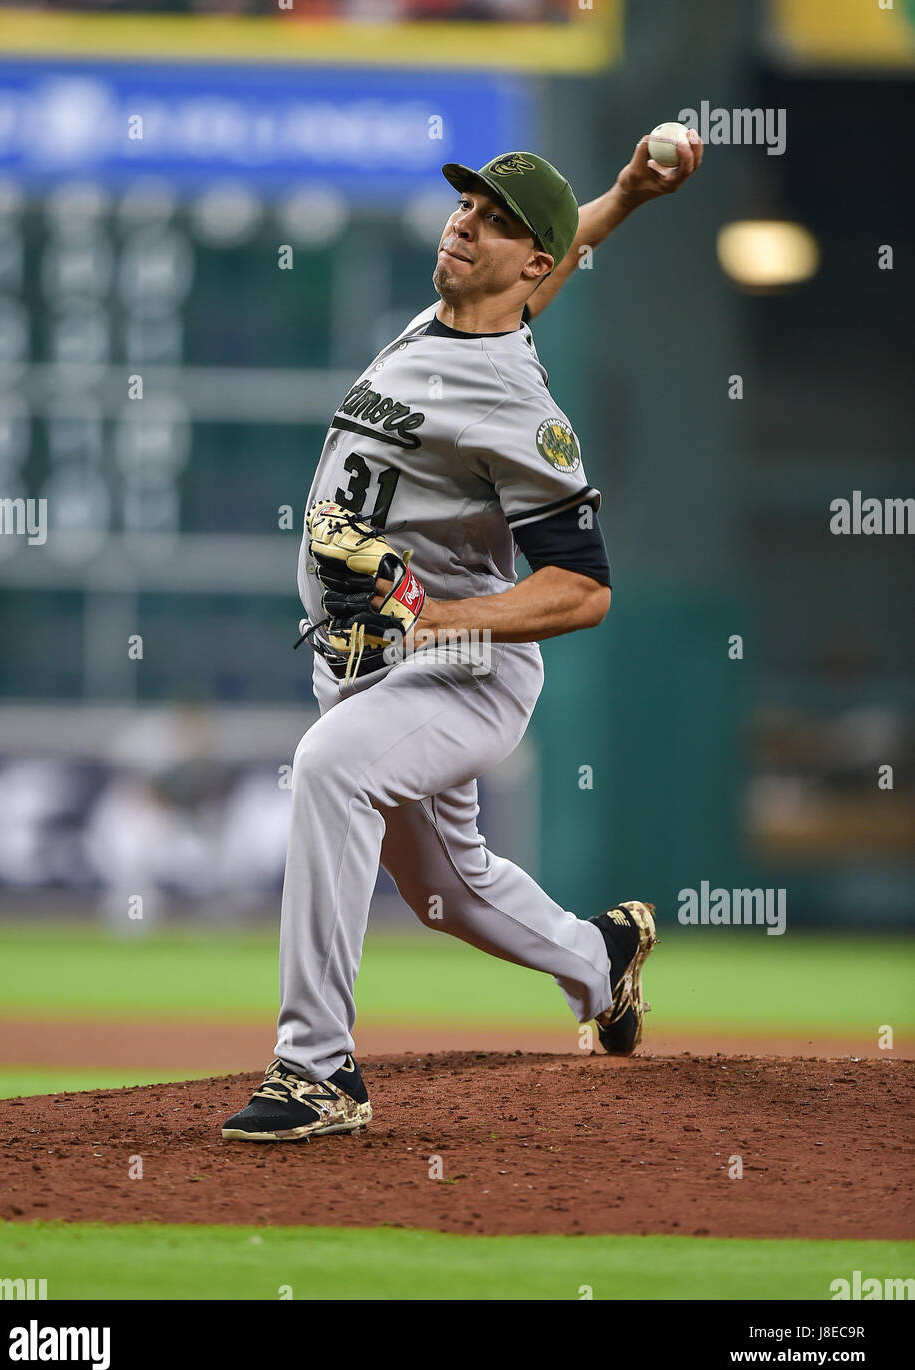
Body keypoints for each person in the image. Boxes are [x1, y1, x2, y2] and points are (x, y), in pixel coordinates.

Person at [223, 131, 703, 1142]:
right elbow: (535, 277)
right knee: (446, 889)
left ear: (523, 257)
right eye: (463, 206)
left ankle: (316, 1070)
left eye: (490, 220)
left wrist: (437, 615)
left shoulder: (518, 404)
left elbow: (582, 590)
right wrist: (621, 193)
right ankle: (597, 959)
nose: (461, 223)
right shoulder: (455, 319)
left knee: (329, 772)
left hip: (460, 673)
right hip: (365, 665)